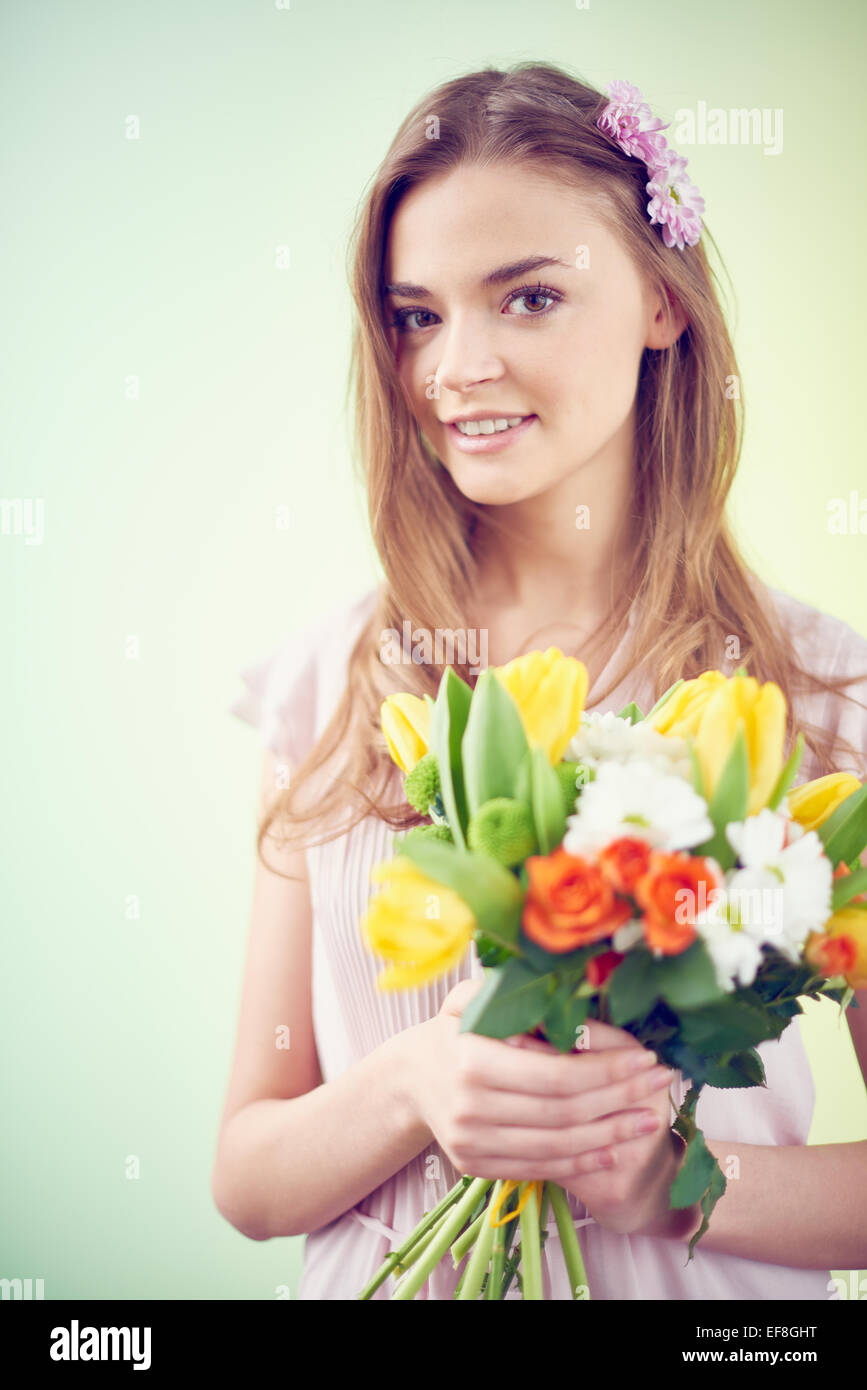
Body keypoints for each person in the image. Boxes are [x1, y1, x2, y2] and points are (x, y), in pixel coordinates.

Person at [210, 63, 867, 1299]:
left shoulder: (823, 693)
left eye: (528, 298)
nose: (457, 366)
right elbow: (248, 1173)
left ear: (665, 301)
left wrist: (683, 1183)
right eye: (417, 316)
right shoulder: (328, 688)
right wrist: (415, 1082)